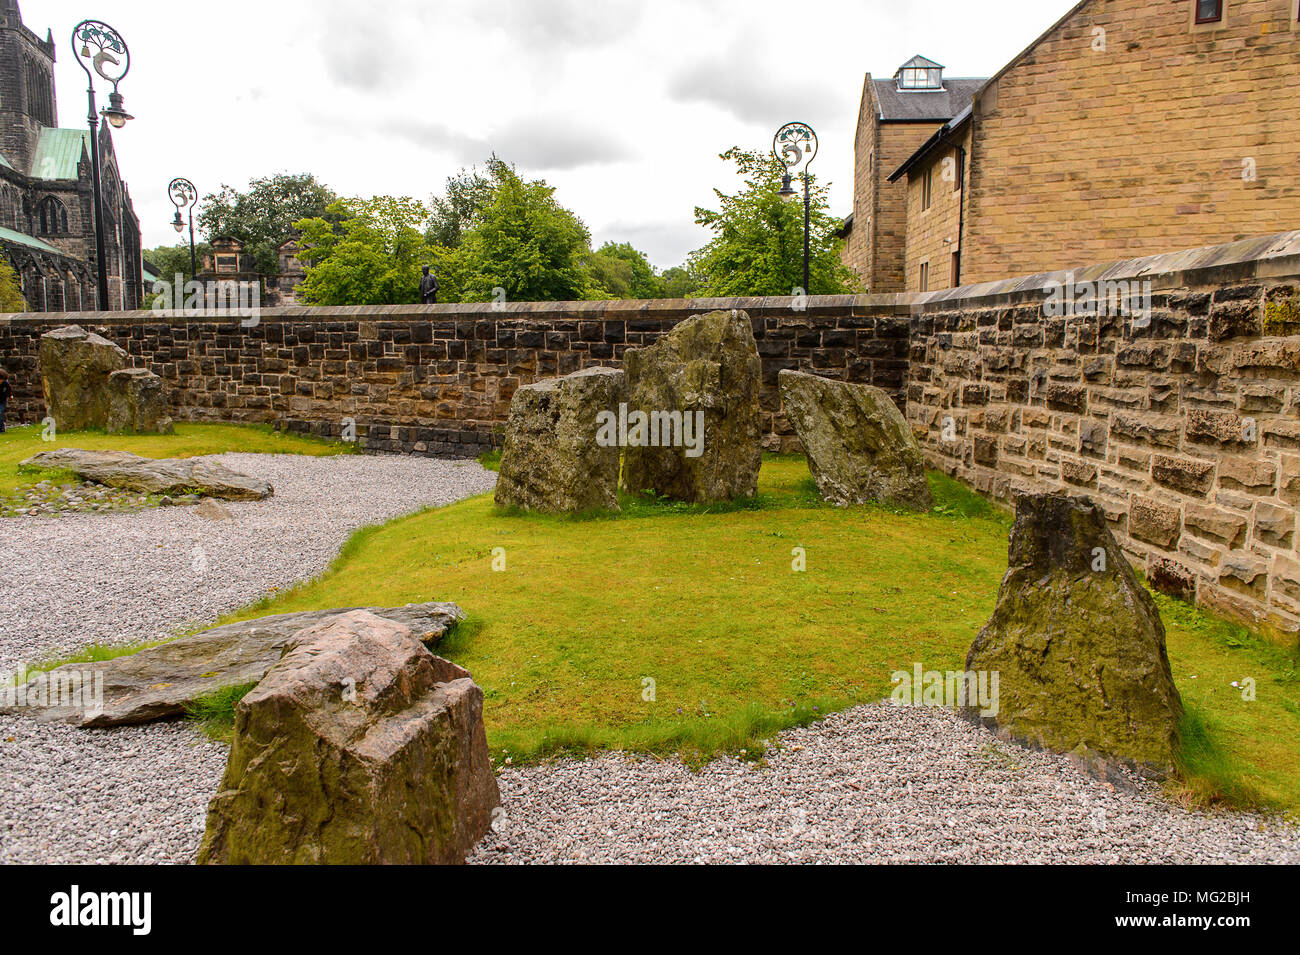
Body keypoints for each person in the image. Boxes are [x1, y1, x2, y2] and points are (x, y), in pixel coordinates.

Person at [0, 368, 10, 434]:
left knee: (0, 412)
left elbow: (9, 390)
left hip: (2, 401)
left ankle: (1, 428)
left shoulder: (5, 383)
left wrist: (9, 395)